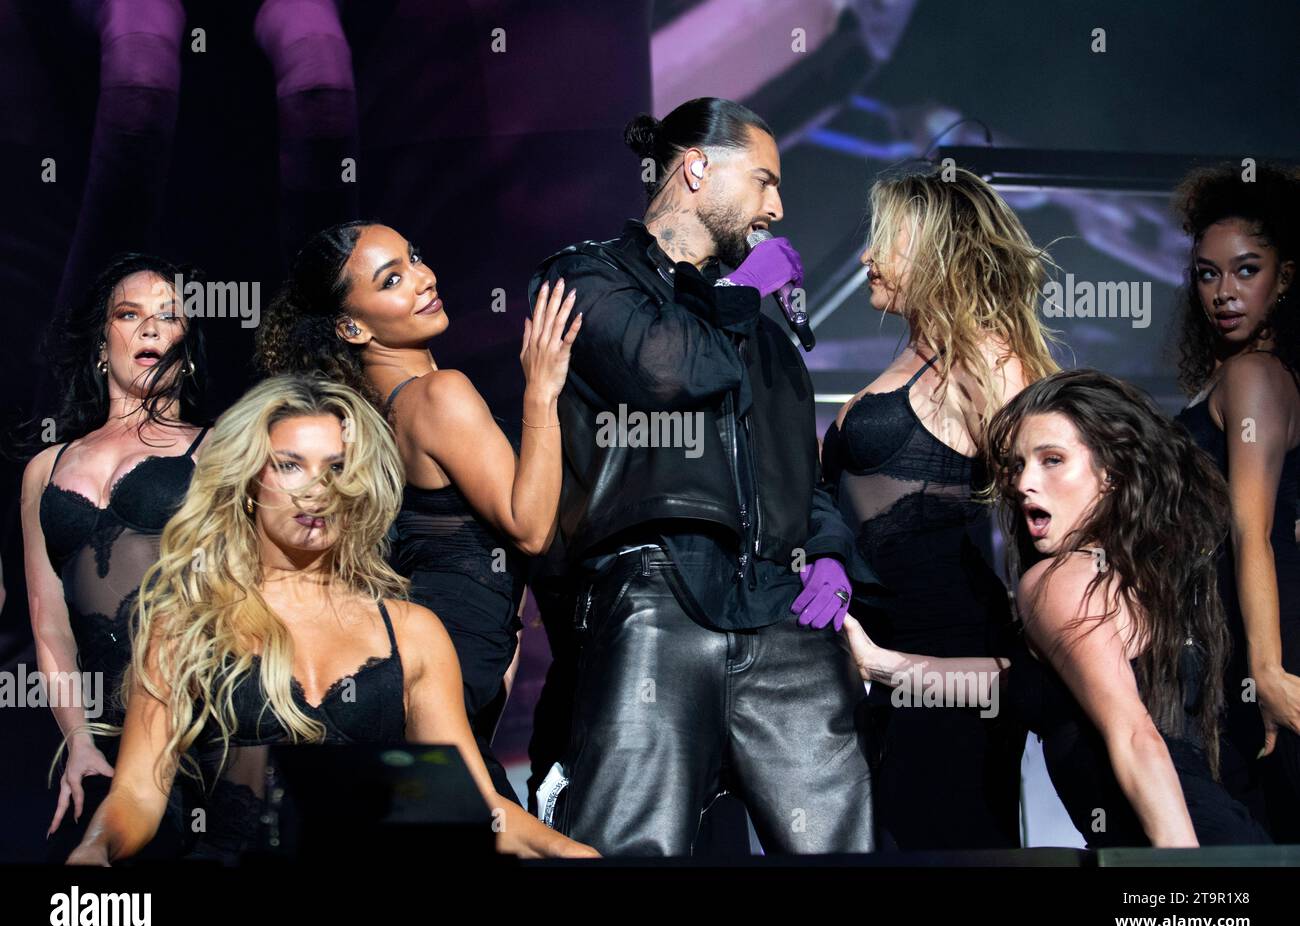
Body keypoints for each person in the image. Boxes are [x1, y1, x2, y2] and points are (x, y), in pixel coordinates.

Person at [527, 96, 874, 856]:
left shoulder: (762, 334)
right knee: (631, 847)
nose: (777, 208)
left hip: (780, 619)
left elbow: (803, 485)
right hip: (654, 598)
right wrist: (739, 295)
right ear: (695, 169)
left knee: (838, 850)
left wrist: (830, 555)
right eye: (764, 182)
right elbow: (663, 370)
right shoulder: (587, 278)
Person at [65, 374, 598, 864]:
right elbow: (136, 795)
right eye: (290, 464)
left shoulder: (411, 631)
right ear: (250, 483)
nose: (315, 487)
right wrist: (95, 848)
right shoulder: (187, 627)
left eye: (335, 467)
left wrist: (576, 853)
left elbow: (479, 809)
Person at [844, 369, 1270, 847]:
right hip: (1221, 842)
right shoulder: (1135, 576)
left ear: (1111, 475)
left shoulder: (1060, 582)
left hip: (1180, 851)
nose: (1025, 482)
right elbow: (1018, 683)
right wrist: (882, 664)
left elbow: (1135, 736)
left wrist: (1181, 887)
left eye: (1052, 460)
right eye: (1018, 464)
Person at [255, 221, 580, 803]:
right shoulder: (439, 394)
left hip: (431, 674)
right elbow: (529, 530)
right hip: (442, 667)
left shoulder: (372, 418)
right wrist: (541, 392)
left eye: (415, 259)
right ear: (353, 326)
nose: (425, 280)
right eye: (393, 279)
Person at [821, 165, 1058, 849]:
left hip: (944, 654)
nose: (866, 257)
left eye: (882, 241)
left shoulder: (990, 359)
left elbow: (1055, 506)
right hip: (870, 660)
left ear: (933, 252)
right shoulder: (912, 358)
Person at [20, 254, 210, 861]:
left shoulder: (220, 449)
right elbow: (49, 622)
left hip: (198, 723)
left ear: (189, 345)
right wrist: (76, 737)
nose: (151, 329)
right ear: (104, 342)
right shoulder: (44, 469)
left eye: (169, 317)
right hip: (94, 736)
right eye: (131, 315)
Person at [1171, 163, 1300, 841]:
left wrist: (1268, 672)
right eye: (1207, 274)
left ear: (1286, 278)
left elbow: (1252, 531)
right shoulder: (1246, 372)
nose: (1223, 292)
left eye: (1246, 270)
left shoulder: (1253, 373)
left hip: (1263, 641)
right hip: (1235, 637)